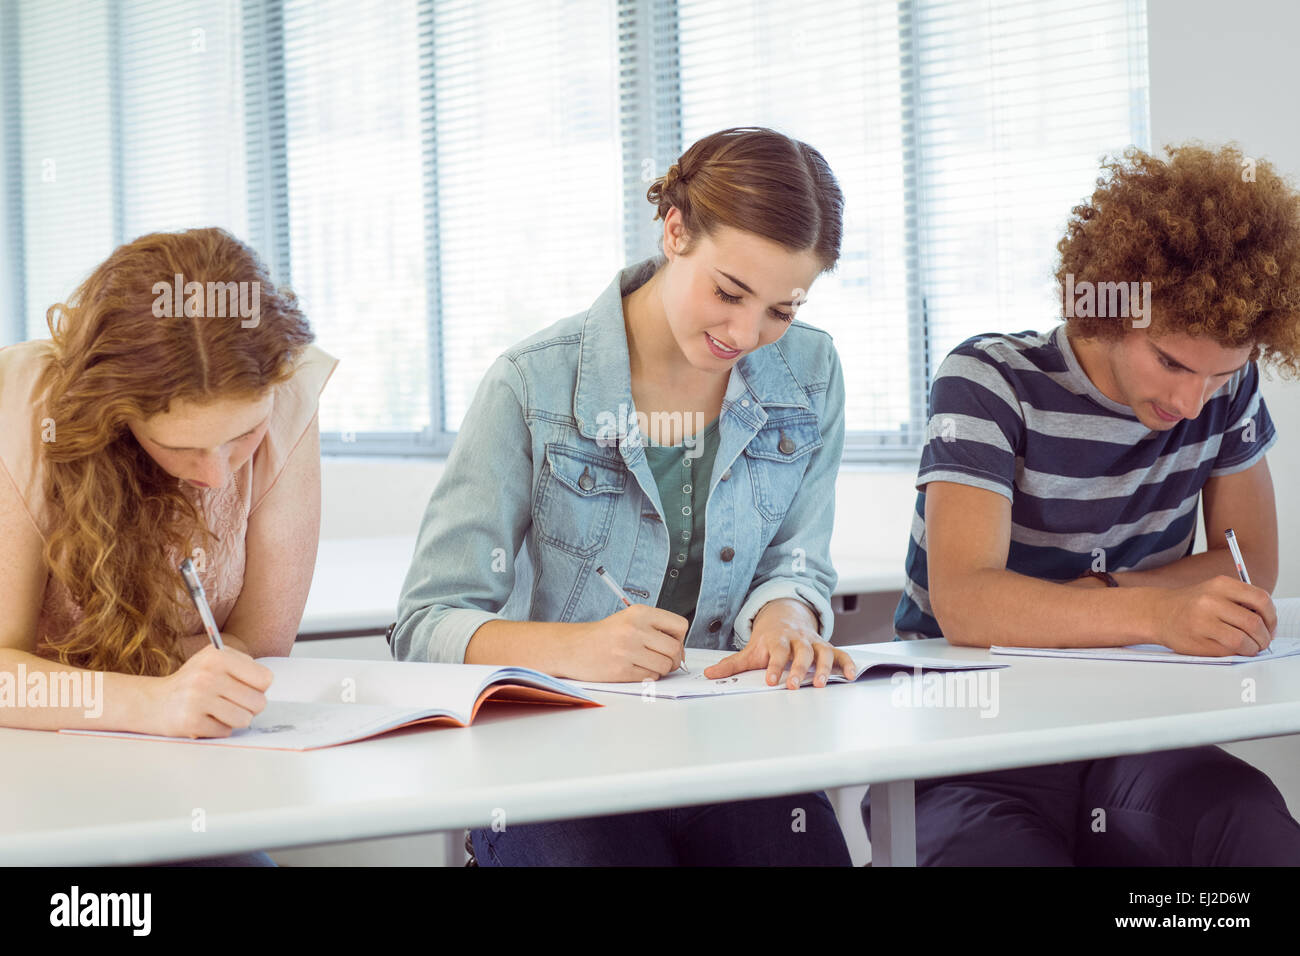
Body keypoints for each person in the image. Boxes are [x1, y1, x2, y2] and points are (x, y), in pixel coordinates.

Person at [393, 127, 856, 865]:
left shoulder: (811, 373)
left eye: (782, 309)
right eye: (729, 292)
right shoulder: (531, 384)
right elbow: (425, 625)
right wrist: (570, 650)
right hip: (551, 758)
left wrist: (785, 616)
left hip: (726, 746)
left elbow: (797, 561)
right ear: (675, 231)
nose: (747, 332)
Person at [866, 143, 1300, 865]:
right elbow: (969, 604)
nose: (1191, 401)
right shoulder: (988, 380)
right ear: (1105, 309)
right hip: (973, 741)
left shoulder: (1227, 396)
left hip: (1133, 732)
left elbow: (1247, 565)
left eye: (1223, 374)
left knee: (1253, 834)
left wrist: (1078, 597)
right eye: (1170, 361)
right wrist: (1159, 611)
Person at [0, 227, 338, 865]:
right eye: (179, 448)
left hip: (185, 775)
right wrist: (151, 701)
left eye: (244, 436)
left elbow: (259, 649)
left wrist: (178, 697)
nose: (216, 474)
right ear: (114, 412)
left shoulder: (287, 390)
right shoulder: (25, 404)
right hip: (29, 782)